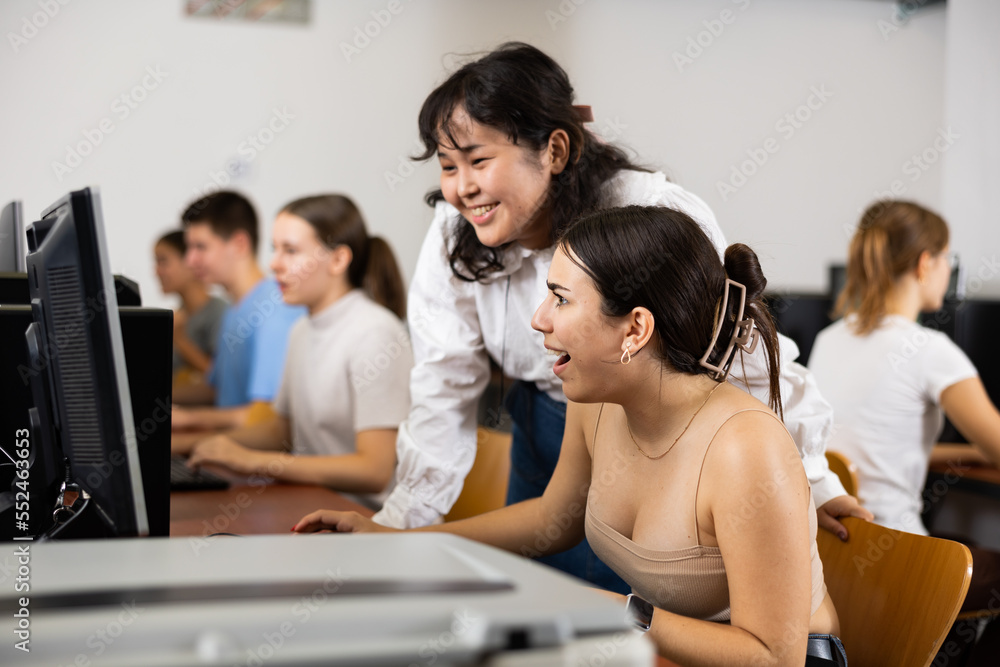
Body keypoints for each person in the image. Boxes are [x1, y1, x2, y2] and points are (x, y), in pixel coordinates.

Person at [373, 41, 868, 593]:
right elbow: (442, 382)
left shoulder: (648, 214)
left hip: (648, 432)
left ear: (554, 150)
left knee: (620, 603)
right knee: (532, 593)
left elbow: (739, 356)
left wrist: (813, 478)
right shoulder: (456, 228)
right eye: (447, 166)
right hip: (552, 418)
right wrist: (397, 527)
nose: (461, 187)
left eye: (479, 161)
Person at [294, 205, 844, 666]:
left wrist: (613, 610)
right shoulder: (597, 405)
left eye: (559, 298)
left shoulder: (746, 448)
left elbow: (774, 656)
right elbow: (551, 520)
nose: (539, 319)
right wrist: (399, 540)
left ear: (635, 329)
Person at [809, 200, 1000, 664]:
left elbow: (867, 448)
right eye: (947, 257)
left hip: (832, 559)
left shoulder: (828, 340)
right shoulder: (930, 349)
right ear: (925, 263)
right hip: (900, 561)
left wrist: (968, 451)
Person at [186, 195, 412, 509]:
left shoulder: (375, 333)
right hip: (318, 505)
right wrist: (217, 444)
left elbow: (374, 471)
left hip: (373, 518)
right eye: (275, 249)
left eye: (290, 251)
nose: (274, 264)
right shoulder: (301, 330)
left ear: (338, 260)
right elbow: (283, 430)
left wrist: (252, 461)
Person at [171, 191, 305, 453]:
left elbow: (265, 416)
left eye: (200, 247)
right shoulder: (234, 310)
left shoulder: (274, 308)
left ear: (239, 244)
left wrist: (189, 423)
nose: (190, 260)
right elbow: (217, 390)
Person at [153, 230, 227, 388]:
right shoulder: (178, 316)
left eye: (163, 261)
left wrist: (180, 339)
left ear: (190, 261)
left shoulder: (219, 313)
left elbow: (222, 379)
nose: (156, 272)